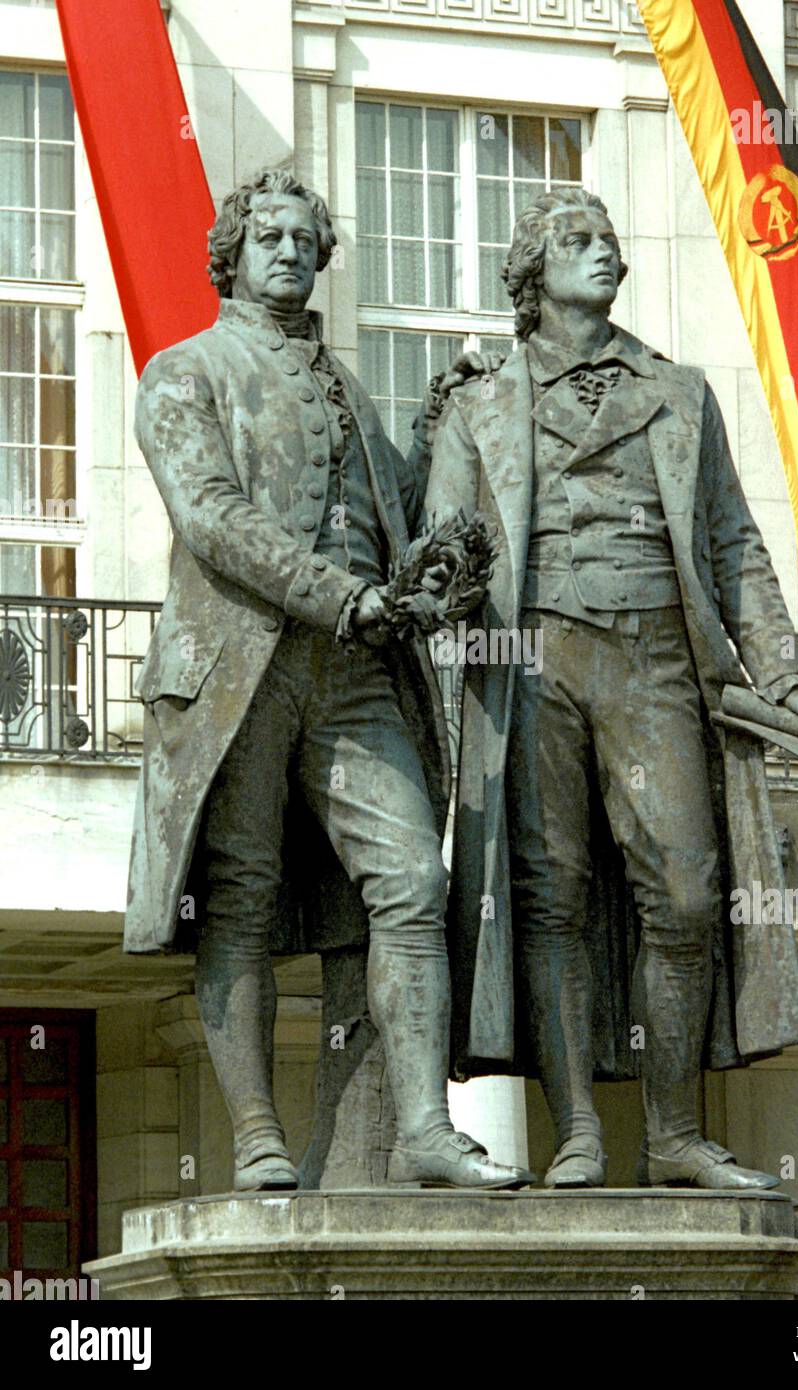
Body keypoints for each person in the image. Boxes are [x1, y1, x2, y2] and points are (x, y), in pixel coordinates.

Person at [425, 188, 798, 1189]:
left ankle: (673, 1133)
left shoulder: (680, 390)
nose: (603, 253)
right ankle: (575, 1128)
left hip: (656, 655)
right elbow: (443, 536)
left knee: (692, 894)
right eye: (577, 242)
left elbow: (736, 544)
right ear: (532, 279)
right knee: (549, 893)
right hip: (530, 664)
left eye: (610, 238)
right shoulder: (480, 403)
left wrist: (785, 674)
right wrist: (442, 580)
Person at [125, 169, 531, 1193]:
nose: (291, 252)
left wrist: (451, 434)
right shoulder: (183, 373)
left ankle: (424, 1128)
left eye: (308, 239)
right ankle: (257, 1131)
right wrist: (338, 595)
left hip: (353, 671)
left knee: (413, 882)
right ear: (232, 252)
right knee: (243, 899)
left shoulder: (347, 389)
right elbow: (212, 518)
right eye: (270, 235)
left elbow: (399, 507)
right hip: (237, 672)